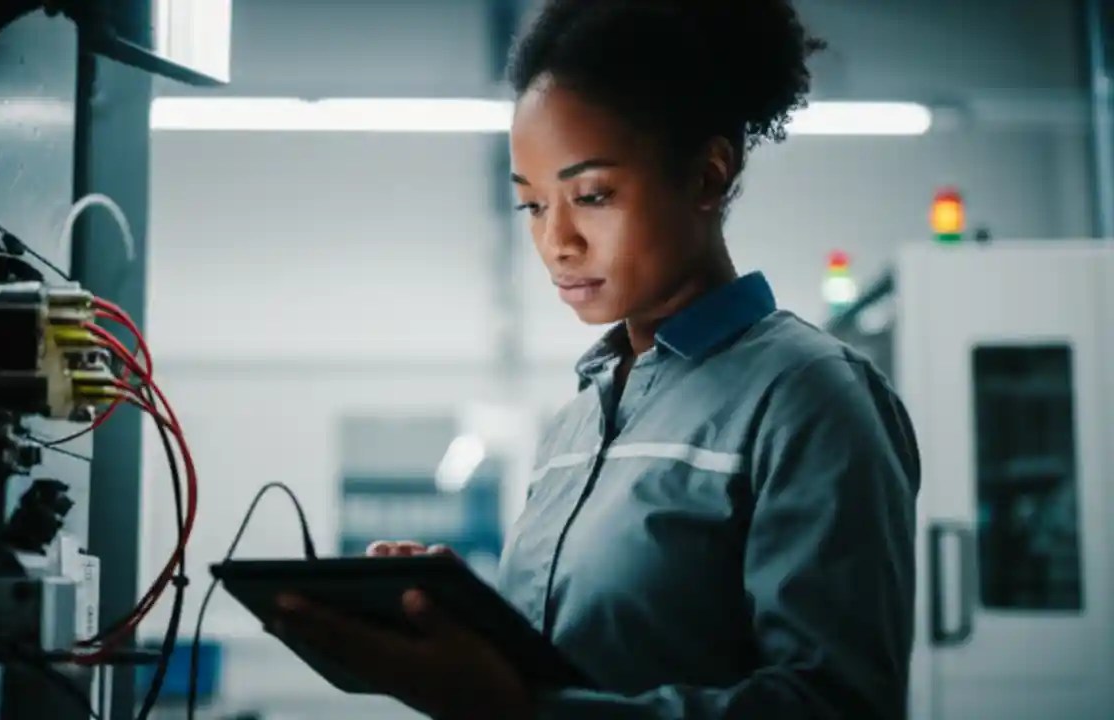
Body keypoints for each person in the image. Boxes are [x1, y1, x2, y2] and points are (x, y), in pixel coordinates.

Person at [266, 1, 921, 718]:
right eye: (533, 206)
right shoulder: (577, 424)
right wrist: (464, 633)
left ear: (706, 177)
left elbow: (835, 704)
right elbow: (576, 670)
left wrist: (516, 710)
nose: (557, 242)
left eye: (593, 195)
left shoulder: (807, 396)